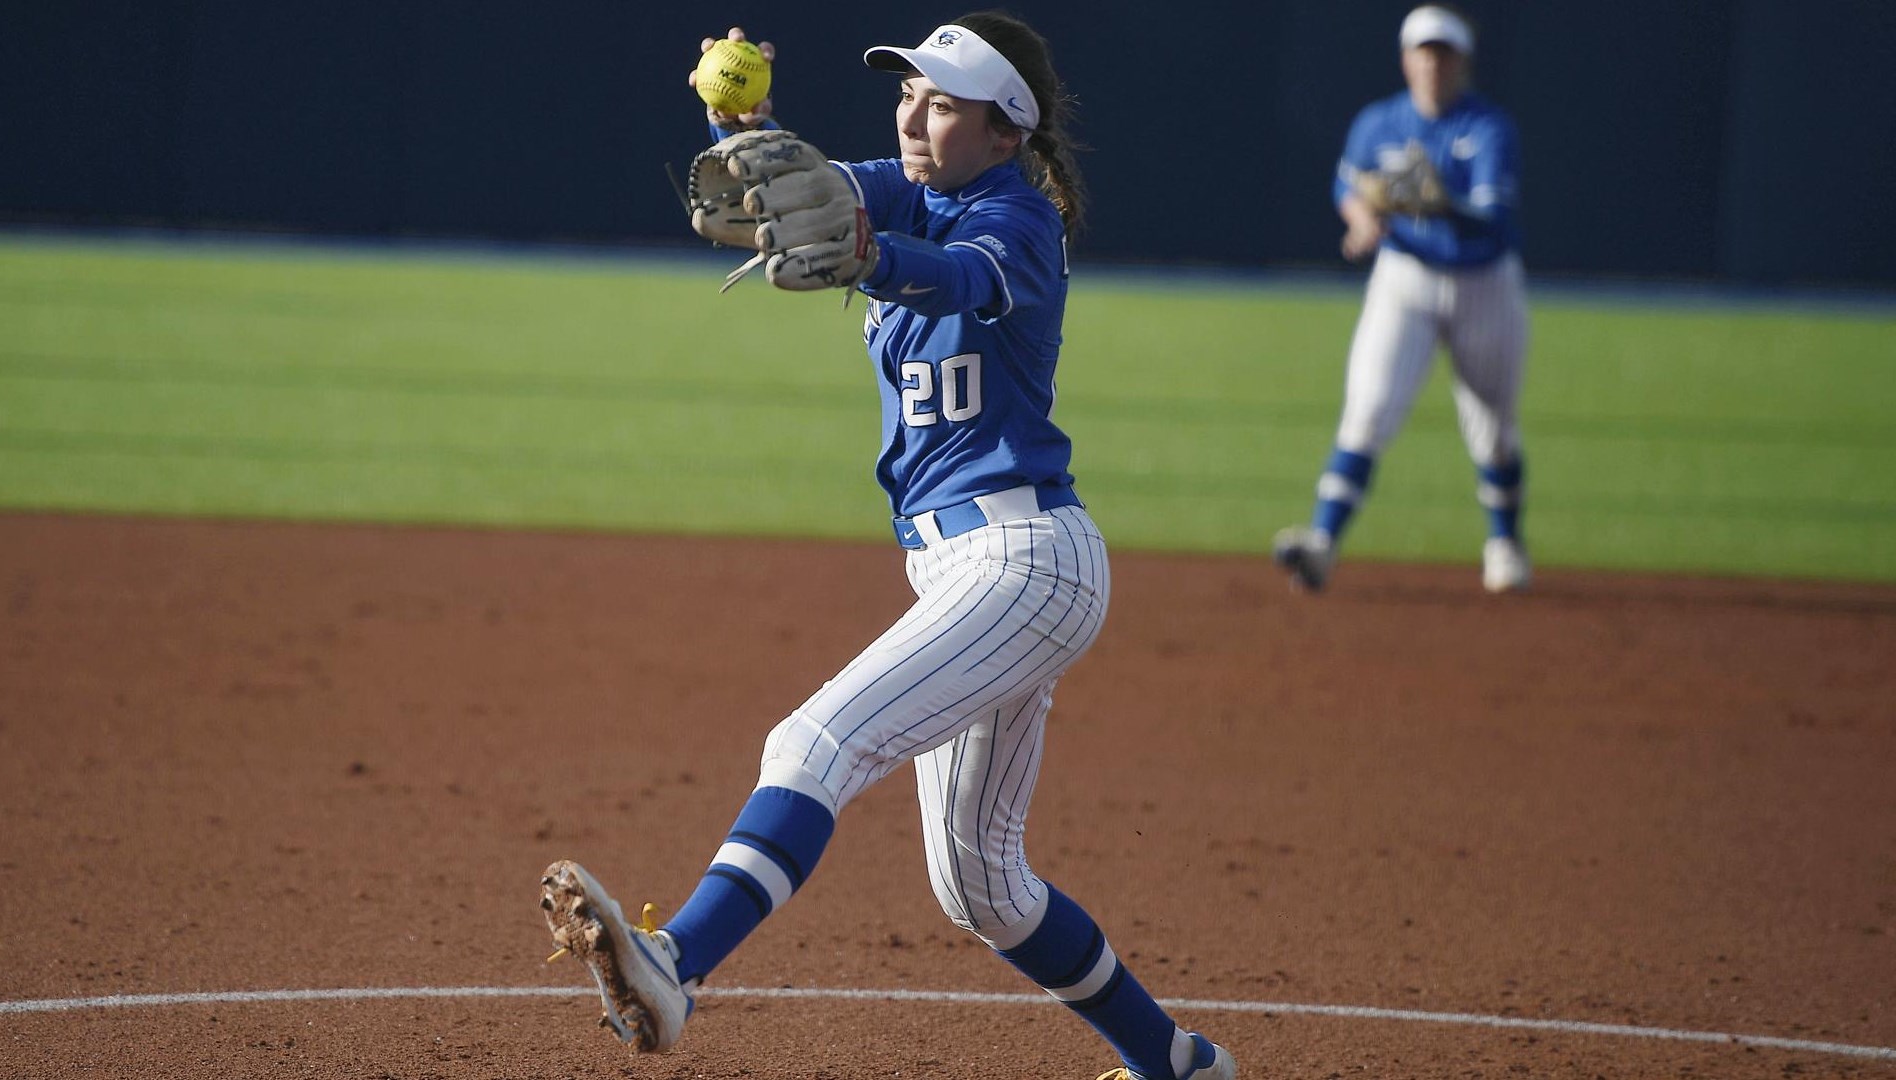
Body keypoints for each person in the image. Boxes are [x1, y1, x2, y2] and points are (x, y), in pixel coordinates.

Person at [540, 15, 1237, 1080]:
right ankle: (1177, 1064)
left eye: (944, 101)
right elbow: (793, 187)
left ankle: (675, 964)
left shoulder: (1018, 220)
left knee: (813, 744)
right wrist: (748, 124)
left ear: (1007, 129)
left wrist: (871, 255)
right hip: (964, 568)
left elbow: (957, 280)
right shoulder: (912, 183)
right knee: (982, 888)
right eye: (908, 92)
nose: (914, 112)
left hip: (1027, 560)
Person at [1273, 3, 1532, 594]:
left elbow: (1492, 220)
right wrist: (1362, 216)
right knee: (1366, 412)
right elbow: (1349, 183)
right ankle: (1322, 544)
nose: (1432, 64)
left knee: (1493, 429)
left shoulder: (1488, 128)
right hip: (1406, 280)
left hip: (1483, 283)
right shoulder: (1380, 123)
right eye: (1423, 51)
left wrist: (1439, 204)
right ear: (1406, 59)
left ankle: (1505, 541)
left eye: (1443, 53)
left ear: (1462, 61)